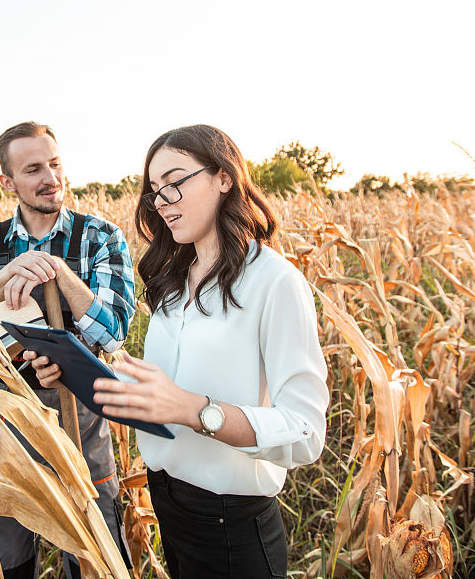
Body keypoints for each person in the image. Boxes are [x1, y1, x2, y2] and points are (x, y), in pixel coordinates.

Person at [25, 124, 329, 579]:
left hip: (232, 524)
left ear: (224, 178)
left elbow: (306, 433)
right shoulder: (172, 283)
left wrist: (194, 410)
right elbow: (159, 392)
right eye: (154, 191)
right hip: (169, 503)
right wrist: (71, 371)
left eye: (175, 182)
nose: (163, 202)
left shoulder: (275, 281)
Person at [0, 121, 136, 579]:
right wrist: (3, 280)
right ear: (8, 182)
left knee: (92, 556)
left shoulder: (100, 238)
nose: (50, 177)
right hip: (6, 423)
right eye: (33, 168)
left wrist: (59, 271)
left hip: (82, 424)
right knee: (6, 562)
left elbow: (113, 335)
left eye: (55, 164)